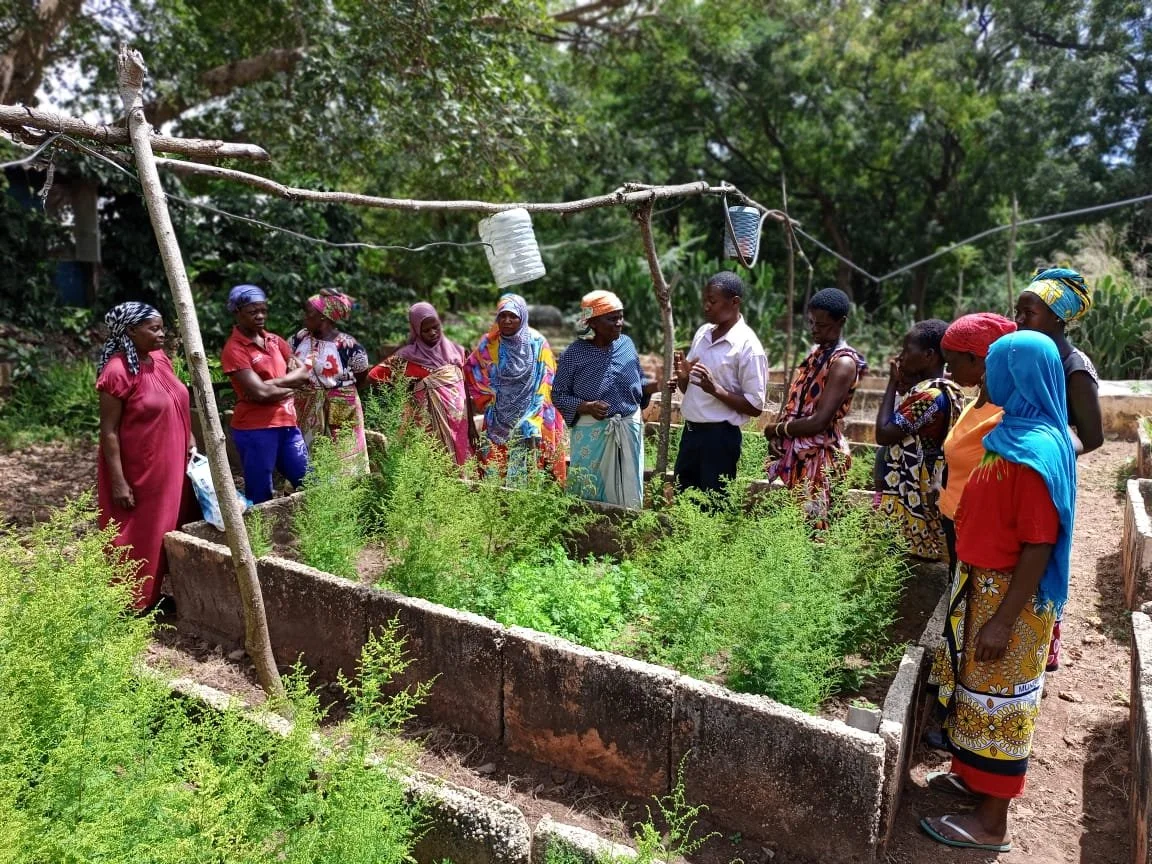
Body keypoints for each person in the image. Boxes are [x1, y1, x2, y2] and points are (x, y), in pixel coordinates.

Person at [920, 330, 1076, 854]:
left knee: (1001, 703)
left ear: (1021, 375)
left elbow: (1037, 542)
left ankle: (993, 821)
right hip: (983, 583)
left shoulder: (1032, 451)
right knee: (977, 692)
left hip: (1008, 594)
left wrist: (1004, 619)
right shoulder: (1014, 431)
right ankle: (972, 776)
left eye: (996, 367)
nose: (986, 376)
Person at [1015, 266, 1101, 671]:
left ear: (1056, 316)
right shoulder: (1026, 352)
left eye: (1028, 312)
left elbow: (1093, 436)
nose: (1019, 320)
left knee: (1041, 554)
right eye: (1018, 311)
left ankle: (1036, 647)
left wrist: (1054, 450)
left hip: (1049, 472)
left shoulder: (1073, 367)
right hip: (1021, 467)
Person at [96, 302, 194, 611]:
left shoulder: (159, 360)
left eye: (162, 327)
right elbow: (108, 431)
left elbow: (176, 400)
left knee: (170, 525)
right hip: (141, 469)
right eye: (154, 329)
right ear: (131, 331)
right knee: (141, 532)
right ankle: (132, 604)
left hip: (172, 463)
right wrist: (118, 482)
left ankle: (155, 594)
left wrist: (190, 439)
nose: (162, 334)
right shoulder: (117, 371)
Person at [765, 287, 866, 522]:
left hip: (821, 458)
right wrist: (781, 437)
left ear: (841, 322)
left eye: (821, 325)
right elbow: (798, 404)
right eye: (811, 323)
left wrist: (776, 429)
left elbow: (819, 421)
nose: (814, 330)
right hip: (801, 453)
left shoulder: (842, 362)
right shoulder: (817, 355)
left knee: (814, 530)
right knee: (799, 525)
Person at [553, 290, 658, 508]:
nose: (619, 323)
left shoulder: (626, 345)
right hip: (593, 433)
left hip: (627, 428)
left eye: (621, 317)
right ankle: (586, 534)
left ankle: (626, 532)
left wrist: (659, 386)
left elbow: (638, 383)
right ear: (593, 322)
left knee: (628, 489)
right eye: (612, 318)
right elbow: (558, 394)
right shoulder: (575, 353)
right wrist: (585, 406)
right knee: (589, 489)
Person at [874, 320, 964, 561]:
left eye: (907, 350)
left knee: (907, 560)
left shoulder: (929, 396)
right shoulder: (937, 390)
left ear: (928, 355)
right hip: (927, 479)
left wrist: (892, 383)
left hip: (919, 488)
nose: (901, 357)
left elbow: (883, 433)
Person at [672, 271, 768, 497]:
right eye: (705, 300)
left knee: (713, 506)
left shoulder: (748, 347)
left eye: (712, 301)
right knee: (683, 502)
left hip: (719, 439)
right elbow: (690, 391)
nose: (706, 306)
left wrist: (716, 390)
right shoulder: (703, 333)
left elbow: (755, 407)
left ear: (734, 302)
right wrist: (683, 377)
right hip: (691, 434)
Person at [938, 313, 1018, 569]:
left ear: (976, 359)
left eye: (952, 363)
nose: (948, 372)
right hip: (956, 521)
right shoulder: (976, 405)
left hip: (979, 534)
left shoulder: (1007, 413)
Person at [221, 284, 311, 504]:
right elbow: (260, 393)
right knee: (261, 492)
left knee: (308, 480)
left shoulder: (274, 341)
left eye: (263, 310)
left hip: (288, 424)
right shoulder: (234, 349)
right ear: (237, 312)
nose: (260, 316)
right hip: (256, 429)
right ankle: (262, 538)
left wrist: (272, 385)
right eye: (253, 312)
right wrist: (290, 385)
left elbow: (304, 373)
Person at [465, 293, 567, 484]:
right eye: (502, 316)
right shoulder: (490, 343)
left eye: (513, 316)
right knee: (494, 478)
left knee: (532, 476)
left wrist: (532, 418)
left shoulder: (537, 344)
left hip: (531, 418)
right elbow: (471, 370)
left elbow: (546, 383)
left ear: (523, 317)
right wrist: (489, 398)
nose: (507, 321)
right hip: (498, 420)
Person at [368, 301, 477, 466]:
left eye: (436, 327)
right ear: (416, 330)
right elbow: (374, 377)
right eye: (426, 330)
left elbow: (466, 389)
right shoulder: (405, 358)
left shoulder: (458, 352)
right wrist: (407, 390)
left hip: (460, 425)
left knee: (465, 465)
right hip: (427, 427)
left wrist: (471, 426)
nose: (433, 333)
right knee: (434, 465)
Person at [290, 289, 370, 475]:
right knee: (308, 457)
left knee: (344, 456)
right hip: (307, 408)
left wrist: (337, 393)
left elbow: (361, 375)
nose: (304, 317)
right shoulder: (300, 338)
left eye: (309, 313)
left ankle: (347, 497)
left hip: (342, 407)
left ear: (324, 318)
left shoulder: (348, 345)